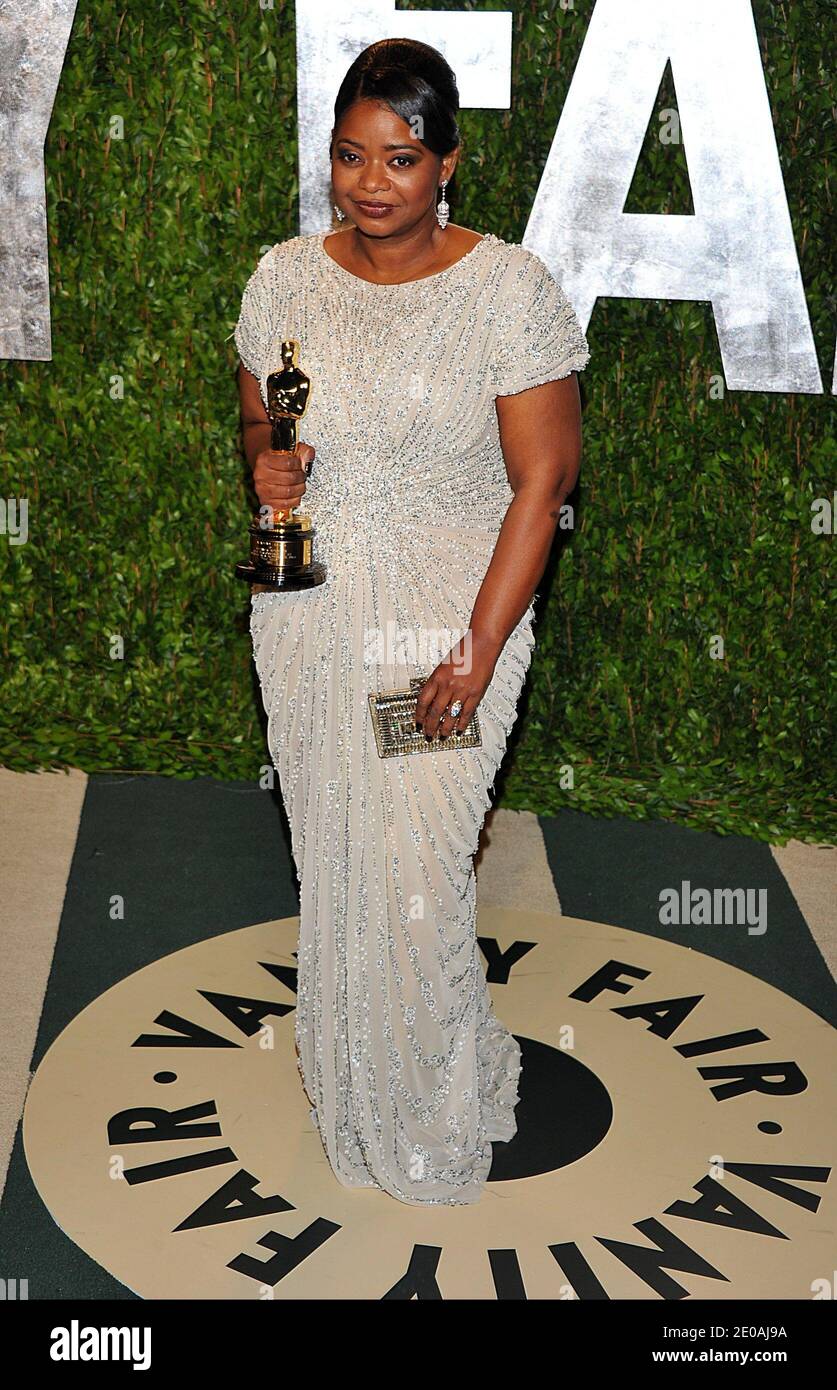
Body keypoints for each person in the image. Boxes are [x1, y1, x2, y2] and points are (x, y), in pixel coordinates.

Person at [234, 37, 589, 1205]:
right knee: (341, 860)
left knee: (419, 862)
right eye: (349, 154)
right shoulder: (284, 276)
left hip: (449, 612)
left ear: (449, 163)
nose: (369, 182)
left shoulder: (508, 288)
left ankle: (431, 1112)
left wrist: (476, 654)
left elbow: (541, 484)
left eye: (399, 157)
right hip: (312, 609)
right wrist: (268, 474)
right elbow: (261, 426)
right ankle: (357, 1085)